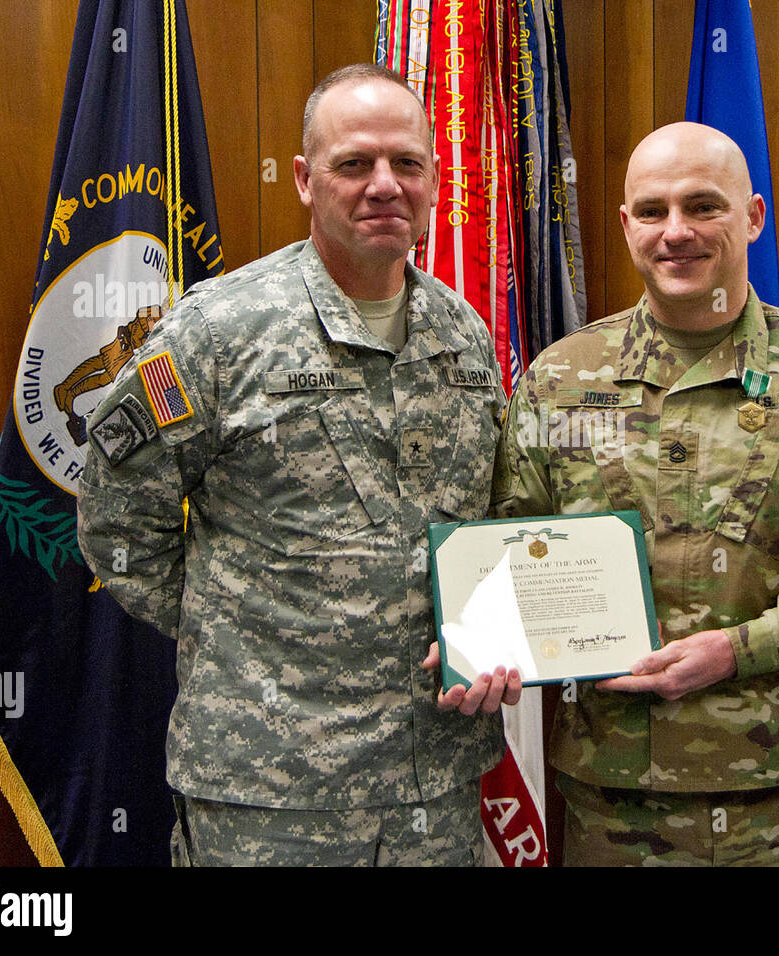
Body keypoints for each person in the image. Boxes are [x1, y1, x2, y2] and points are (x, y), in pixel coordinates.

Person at [76, 64, 519, 866]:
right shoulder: (217, 333)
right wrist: (245, 629)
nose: (384, 185)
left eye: (406, 163)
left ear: (434, 180)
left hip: (436, 777)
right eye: (354, 164)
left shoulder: (464, 334)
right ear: (305, 181)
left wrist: (492, 630)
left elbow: (478, 527)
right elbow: (117, 524)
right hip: (270, 792)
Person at [491, 122, 779, 865]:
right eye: (654, 210)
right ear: (627, 225)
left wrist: (743, 650)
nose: (677, 232)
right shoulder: (559, 381)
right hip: (616, 809)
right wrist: (490, 643)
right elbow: (509, 549)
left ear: (754, 216)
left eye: (703, 206)